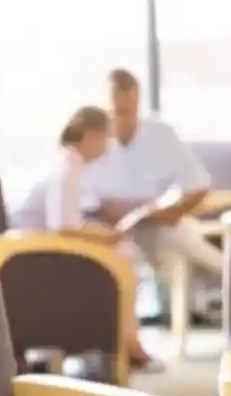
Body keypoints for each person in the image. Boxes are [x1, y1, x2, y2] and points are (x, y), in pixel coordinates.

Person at [9, 105, 156, 368]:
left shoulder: (65, 162)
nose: (108, 147)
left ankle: (125, 340)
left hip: (31, 250)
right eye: (106, 137)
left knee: (126, 252)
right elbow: (63, 227)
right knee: (126, 258)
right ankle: (127, 343)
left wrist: (101, 233)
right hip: (36, 255)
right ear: (91, 136)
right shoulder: (68, 167)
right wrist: (103, 238)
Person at [82, 69, 224, 318]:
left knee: (188, 245)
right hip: (110, 233)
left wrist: (169, 212)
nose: (123, 121)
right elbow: (83, 202)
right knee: (126, 261)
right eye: (117, 112)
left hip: (159, 224)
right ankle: (127, 332)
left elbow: (198, 186)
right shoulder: (92, 141)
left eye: (129, 111)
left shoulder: (161, 134)